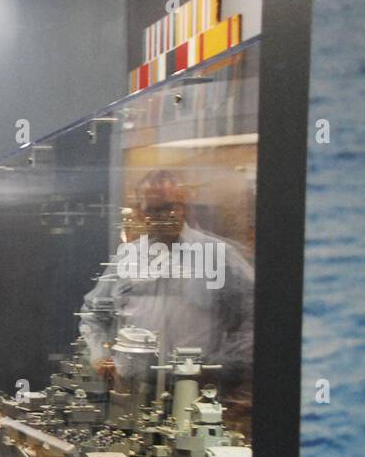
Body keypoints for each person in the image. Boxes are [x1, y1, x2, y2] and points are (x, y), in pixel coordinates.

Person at [79, 169, 255, 419]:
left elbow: (255, 318)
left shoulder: (218, 256)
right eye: (152, 209)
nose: (162, 216)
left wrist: (222, 367)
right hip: (131, 396)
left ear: (185, 207)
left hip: (197, 395)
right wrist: (101, 359)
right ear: (141, 212)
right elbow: (93, 315)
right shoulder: (128, 256)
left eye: (170, 207)